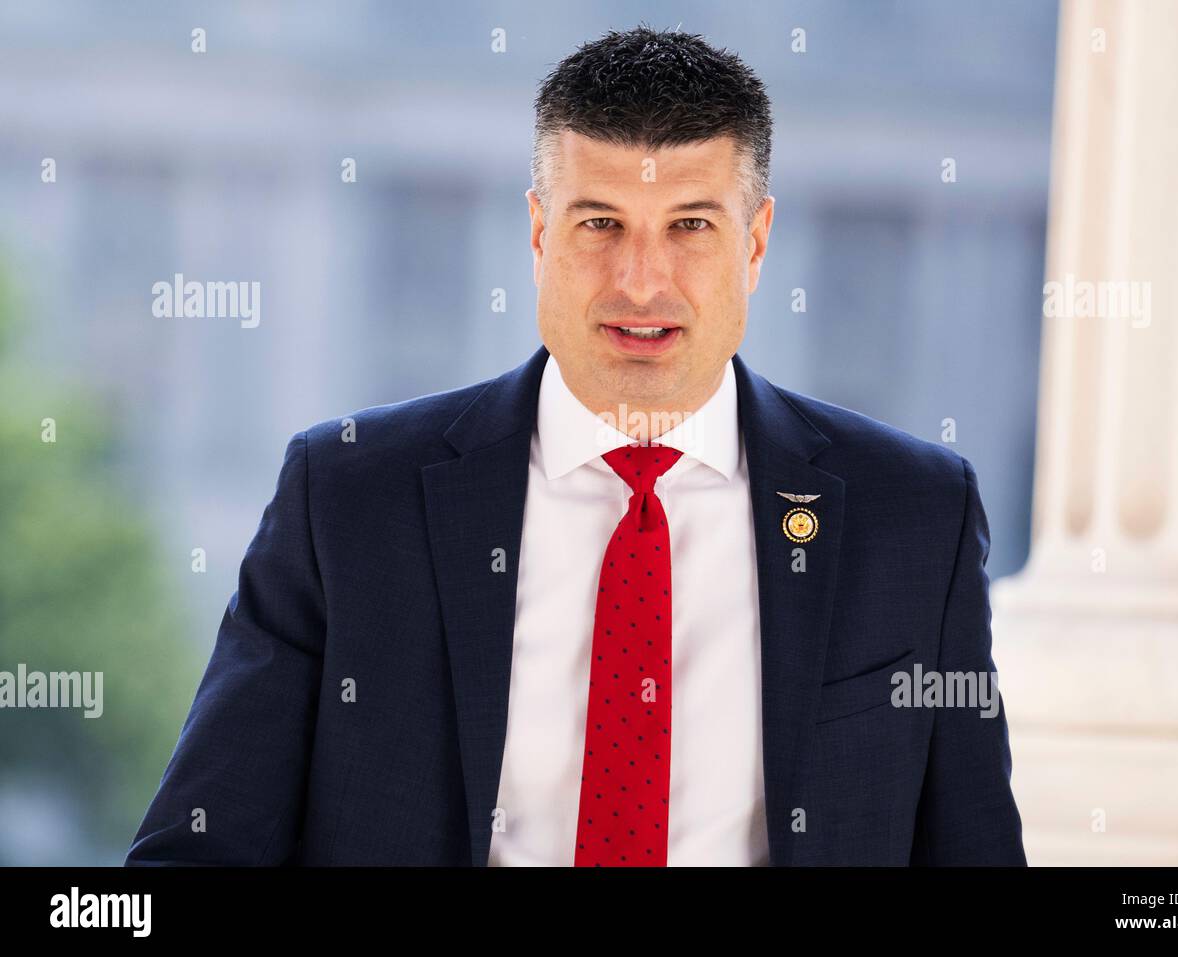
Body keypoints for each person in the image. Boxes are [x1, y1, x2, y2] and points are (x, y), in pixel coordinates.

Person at [126, 25, 1025, 867]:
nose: (641, 281)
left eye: (690, 226)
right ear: (538, 233)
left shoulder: (914, 514)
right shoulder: (348, 495)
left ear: (754, 245)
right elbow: (195, 853)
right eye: (600, 223)